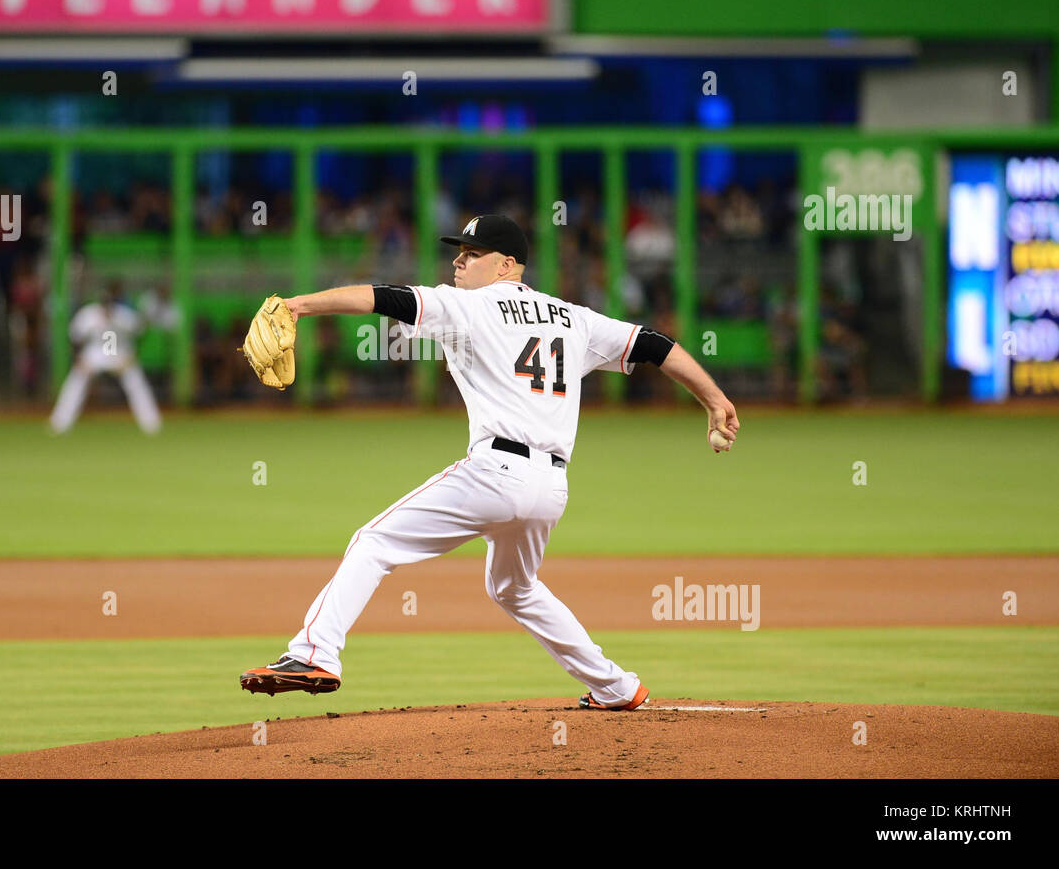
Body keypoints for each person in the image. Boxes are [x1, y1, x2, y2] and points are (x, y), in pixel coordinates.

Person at [239, 215, 740, 710]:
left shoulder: (465, 307)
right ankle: (615, 686)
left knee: (374, 542)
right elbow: (654, 345)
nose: (458, 260)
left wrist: (298, 305)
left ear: (506, 265)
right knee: (514, 588)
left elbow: (381, 297)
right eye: (458, 251)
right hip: (551, 488)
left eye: (472, 253)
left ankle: (312, 653)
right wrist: (714, 400)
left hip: (495, 474)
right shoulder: (575, 319)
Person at [49, 280, 161, 434]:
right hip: (95, 352)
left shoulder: (123, 315)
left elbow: (141, 333)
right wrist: (78, 358)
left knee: (136, 381)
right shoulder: (88, 314)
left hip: (119, 352)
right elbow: (75, 338)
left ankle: (151, 423)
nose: (106, 307)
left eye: (109, 303)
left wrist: (133, 355)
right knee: (76, 380)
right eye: (104, 303)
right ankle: (60, 423)